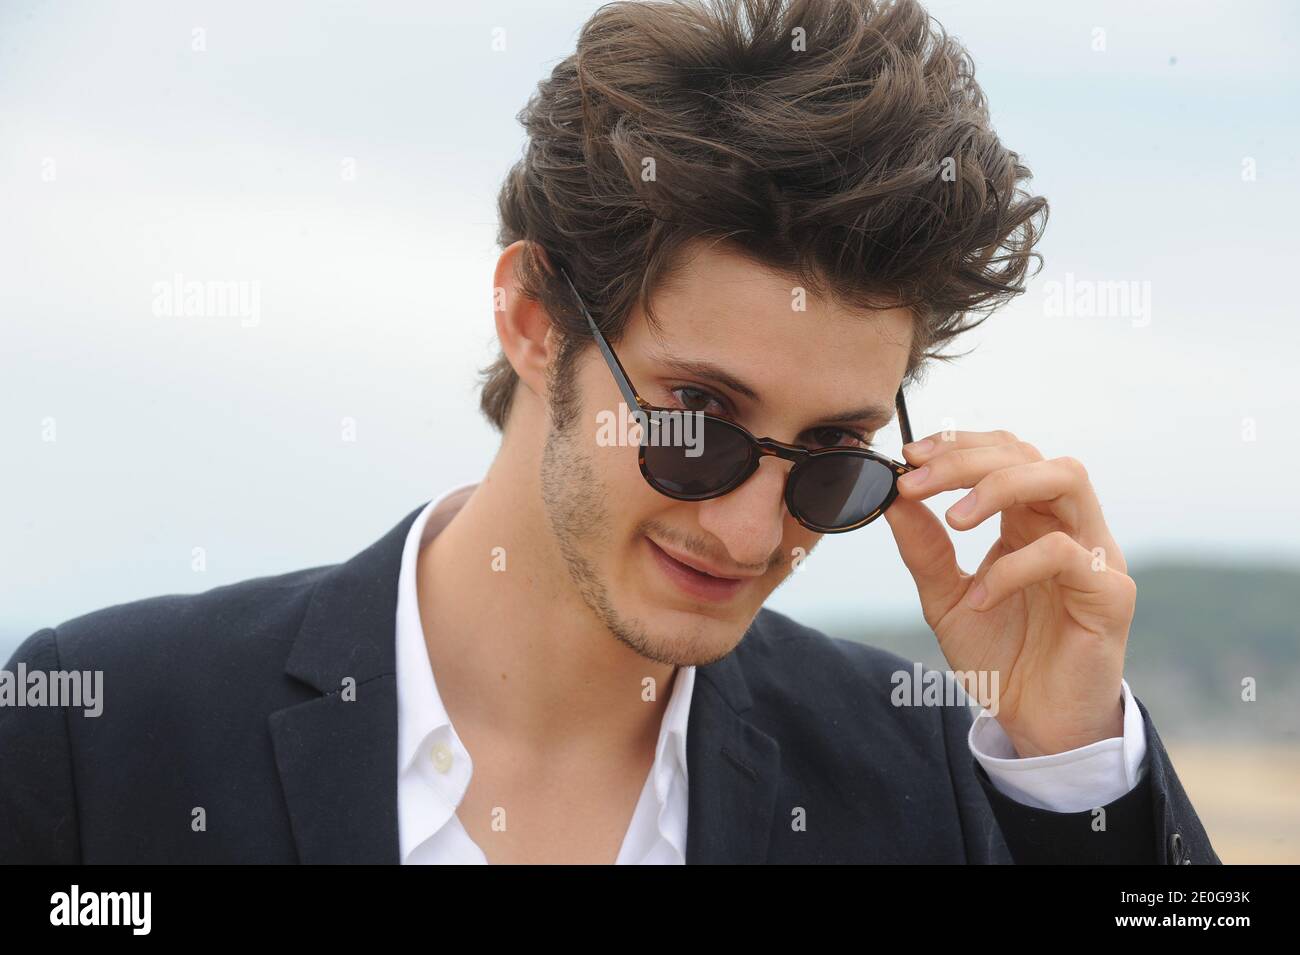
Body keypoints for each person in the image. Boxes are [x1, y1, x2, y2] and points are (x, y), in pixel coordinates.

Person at [0, 0, 1217, 864]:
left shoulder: (939, 769)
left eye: (834, 460)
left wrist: (1072, 775)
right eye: (699, 423)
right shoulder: (97, 734)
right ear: (534, 319)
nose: (750, 531)